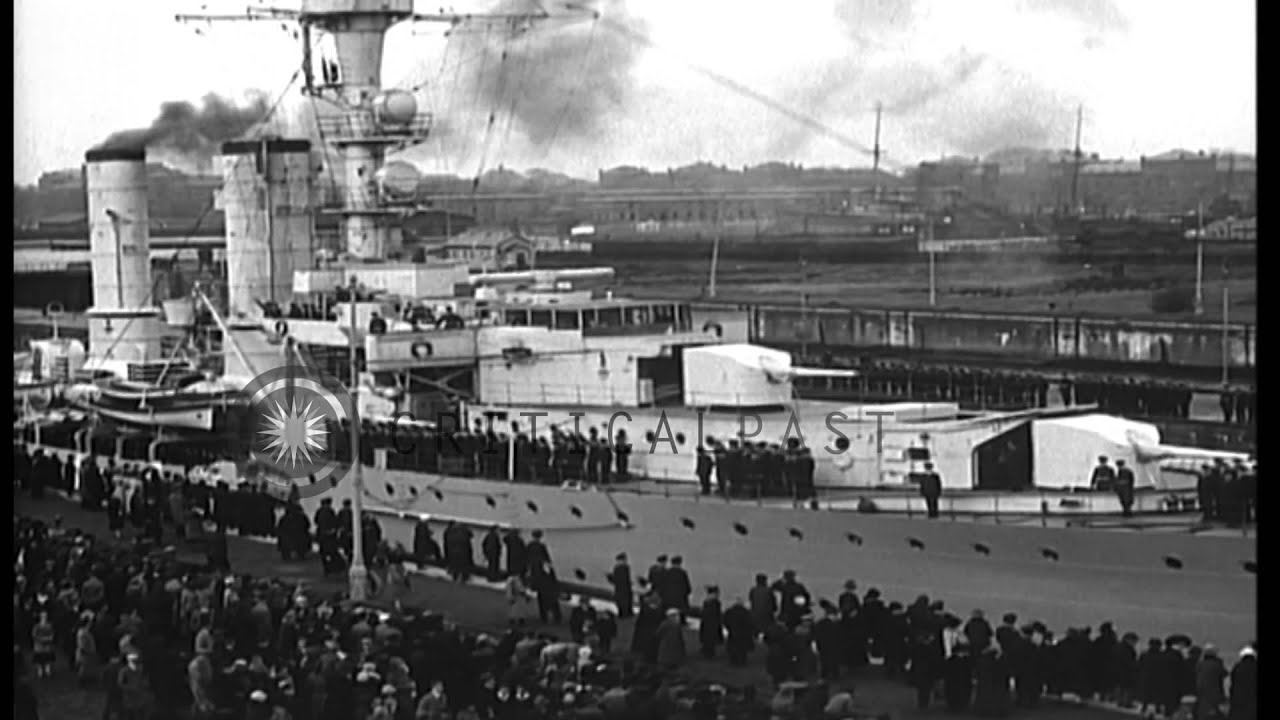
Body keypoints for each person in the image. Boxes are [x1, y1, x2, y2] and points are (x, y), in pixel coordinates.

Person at [699, 587, 724, 659]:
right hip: (713, 624)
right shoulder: (716, 603)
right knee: (711, 639)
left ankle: (706, 652)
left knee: (707, 638)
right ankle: (709, 653)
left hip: (706, 623)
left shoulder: (706, 602)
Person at [608, 553, 634, 619]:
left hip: (620, 590)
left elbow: (616, 580)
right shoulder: (626, 568)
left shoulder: (617, 568)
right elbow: (625, 579)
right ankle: (627, 615)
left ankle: (622, 615)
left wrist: (610, 578)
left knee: (621, 603)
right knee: (626, 603)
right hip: (626, 590)